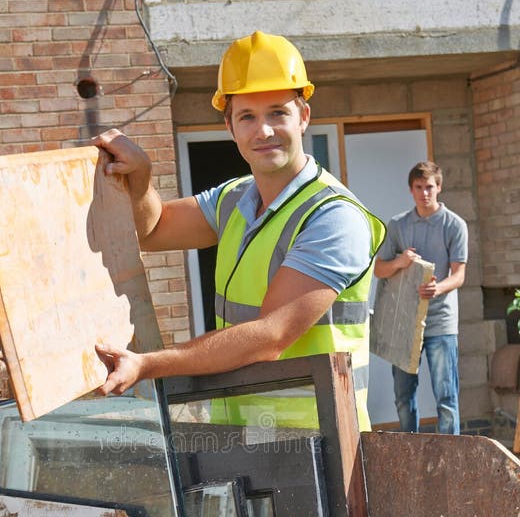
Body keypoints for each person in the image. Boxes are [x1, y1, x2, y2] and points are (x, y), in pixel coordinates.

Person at [93, 30, 385, 431]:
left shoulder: (333, 216)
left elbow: (270, 336)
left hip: (321, 439)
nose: (262, 131)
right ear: (229, 125)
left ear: (304, 117)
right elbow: (154, 229)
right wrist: (141, 178)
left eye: (278, 113)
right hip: (246, 432)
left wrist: (147, 364)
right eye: (247, 116)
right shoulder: (234, 199)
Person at [374, 161, 468, 434]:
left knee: (446, 399)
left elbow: (459, 275)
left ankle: (450, 460)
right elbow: (380, 270)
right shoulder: (398, 225)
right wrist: (400, 262)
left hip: (441, 323)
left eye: (429, 187)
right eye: (419, 188)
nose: (424, 193)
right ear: (411, 190)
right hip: (404, 324)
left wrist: (437, 289)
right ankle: (410, 454)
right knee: (404, 399)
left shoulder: (455, 225)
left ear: (439, 188)